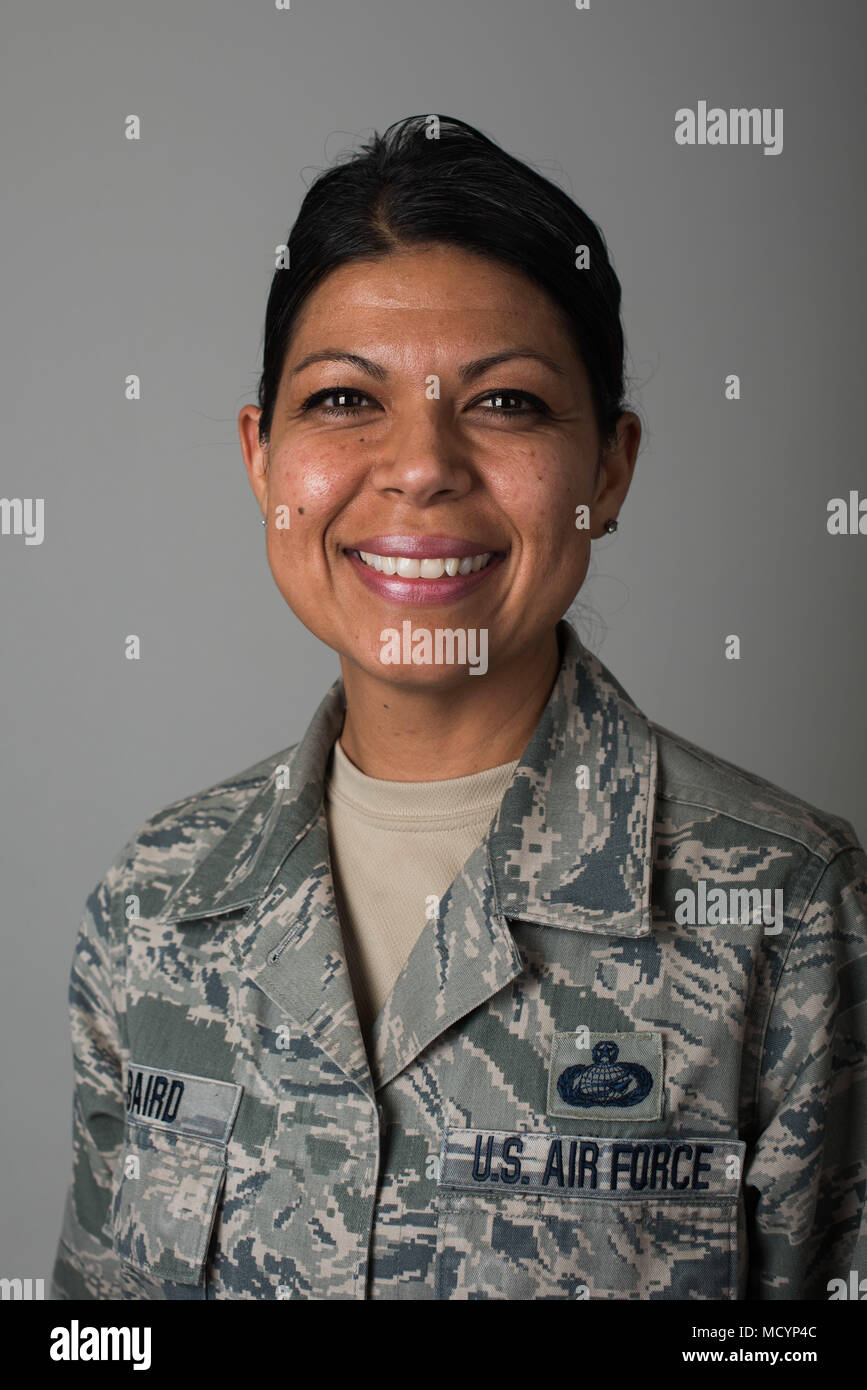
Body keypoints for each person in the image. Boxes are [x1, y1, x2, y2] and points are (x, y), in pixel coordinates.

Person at [51, 113, 866, 1301]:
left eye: (507, 404)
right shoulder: (156, 905)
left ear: (610, 470)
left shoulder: (787, 912)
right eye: (342, 400)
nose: (422, 463)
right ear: (262, 459)